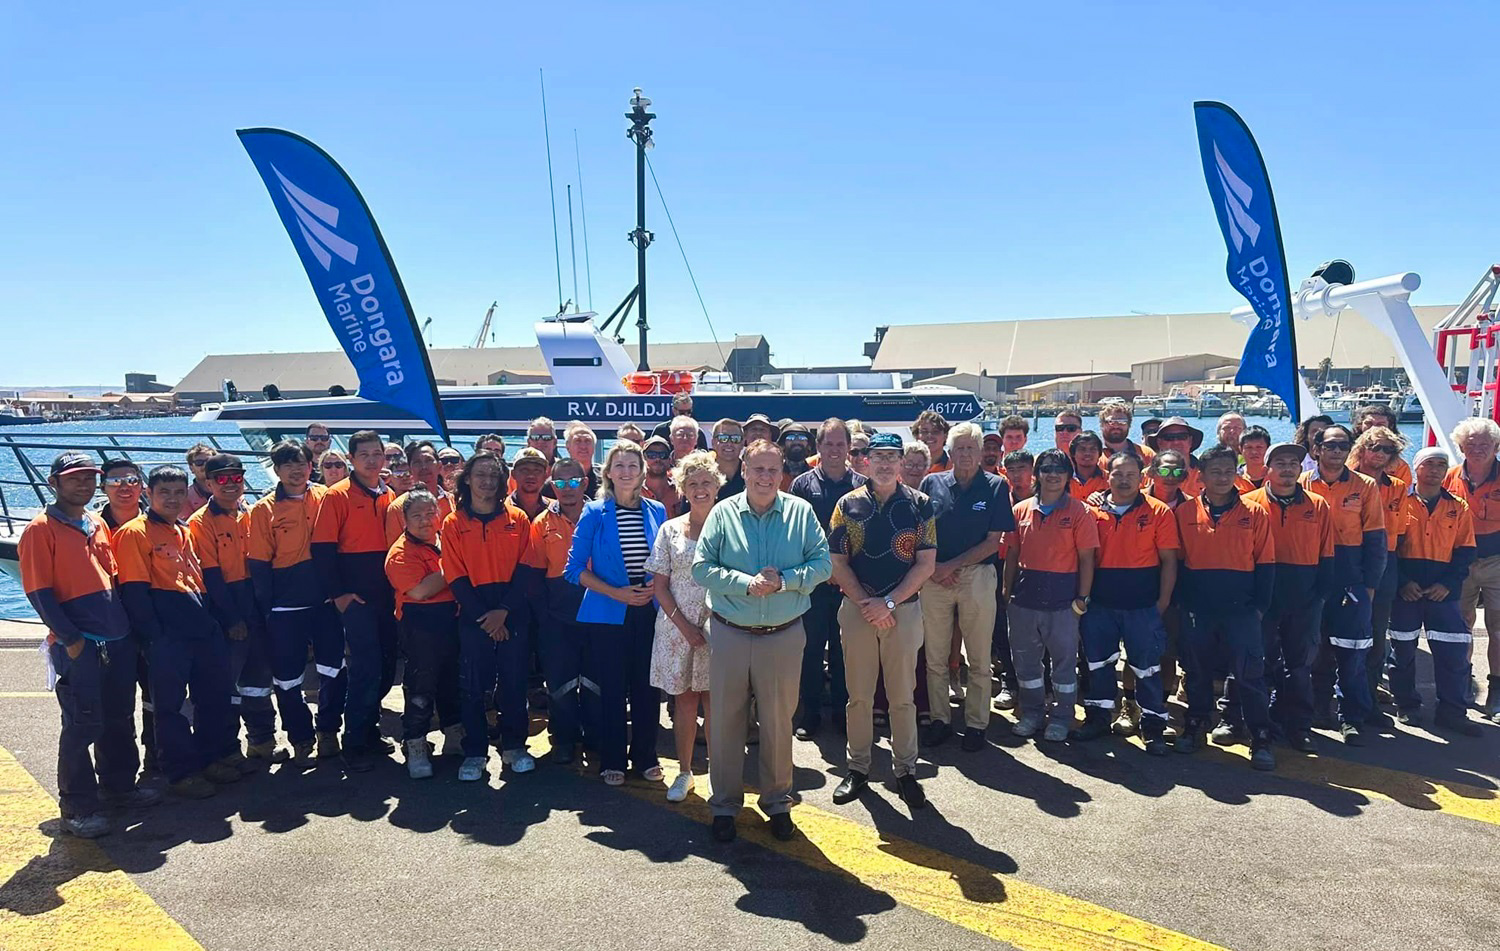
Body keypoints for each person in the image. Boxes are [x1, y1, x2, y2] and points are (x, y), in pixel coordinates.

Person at [692, 438, 830, 841]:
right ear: (745, 471)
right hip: (731, 633)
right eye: (758, 469)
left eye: (773, 470)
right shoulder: (722, 513)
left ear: (782, 473)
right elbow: (702, 568)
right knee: (726, 723)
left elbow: (821, 563)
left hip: (783, 636)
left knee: (776, 724)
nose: (766, 477)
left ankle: (777, 802)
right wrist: (744, 584)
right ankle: (724, 806)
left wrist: (785, 582)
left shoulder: (801, 514)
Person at [20, 452, 159, 837]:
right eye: (74, 478)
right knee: (82, 725)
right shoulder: (40, 529)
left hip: (117, 640)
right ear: (54, 482)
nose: (83, 484)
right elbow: (38, 591)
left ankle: (119, 788)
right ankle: (77, 807)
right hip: (80, 645)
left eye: (89, 478)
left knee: (118, 719)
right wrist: (71, 638)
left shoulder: (95, 521)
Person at [114, 465, 241, 798]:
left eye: (178, 491)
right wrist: (153, 637)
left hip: (200, 627)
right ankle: (181, 772)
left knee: (212, 696)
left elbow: (196, 580)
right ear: (148, 494)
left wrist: (212, 624)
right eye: (164, 492)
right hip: (168, 634)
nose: (172, 498)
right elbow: (134, 590)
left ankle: (210, 758)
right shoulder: (134, 533)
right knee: (171, 707)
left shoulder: (183, 530)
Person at [826, 432, 933, 809]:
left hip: (902, 610)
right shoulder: (847, 504)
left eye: (892, 456)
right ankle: (857, 768)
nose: (885, 463)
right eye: (878, 456)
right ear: (866, 460)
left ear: (902, 461)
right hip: (858, 610)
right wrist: (866, 603)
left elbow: (925, 563)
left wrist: (887, 603)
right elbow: (836, 561)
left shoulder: (920, 505)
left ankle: (905, 770)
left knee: (903, 696)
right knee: (859, 696)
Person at [565, 441, 669, 787]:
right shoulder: (595, 512)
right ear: (608, 472)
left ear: (642, 471)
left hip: (649, 611)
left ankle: (645, 755)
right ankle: (613, 758)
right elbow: (574, 568)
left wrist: (655, 589)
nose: (626, 472)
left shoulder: (656, 511)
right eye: (619, 466)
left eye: (632, 465)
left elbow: (664, 563)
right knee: (611, 689)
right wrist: (617, 593)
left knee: (646, 688)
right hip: (608, 613)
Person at [1173, 446, 1277, 770]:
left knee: (1249, 673)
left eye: (1228, 471)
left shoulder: (1255, 513)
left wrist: (1259, 607)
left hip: (1242, 609)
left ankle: (1260, 736)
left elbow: (1267, 563)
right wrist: (1182, 603)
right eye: (1214, 471)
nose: (1222, 477)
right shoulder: (1185, 513)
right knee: (1197, 671)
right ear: (1200, 476)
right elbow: (1176, 563)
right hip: (1198, 608)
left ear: (1237, 473)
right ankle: (1195, 726)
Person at [248, 440, 348, 762]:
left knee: (334, 669)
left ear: (311, 466)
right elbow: (260, 565)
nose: (296, 470)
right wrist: (268, 611)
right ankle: (300, 737)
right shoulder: (262, 511)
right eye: (287, 464)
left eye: (301, 463)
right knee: (287, 679)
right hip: (286, 608)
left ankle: (329, 731)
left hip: (326, 603)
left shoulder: (326, 497)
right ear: (276, 470)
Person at [1073, 451, 1178, 755]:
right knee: (1098, 664)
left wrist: (1162, 601)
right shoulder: (1091, 511)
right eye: (1118, 473)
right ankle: (1097, 717)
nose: (1124, 479)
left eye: (1131, 474)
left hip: (1143, 606)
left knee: (1147, 669)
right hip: (1101, 606)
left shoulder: (1158, 512)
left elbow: (1169, 561)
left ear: (1142, 478)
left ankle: (1153, 726)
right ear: (1108, 476)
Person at [917, 422, 1013, 750]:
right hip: (934, 576)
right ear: (951, 451)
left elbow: (993, 542)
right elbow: (922, 532)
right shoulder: (932, 482)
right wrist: (935, 569)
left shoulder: (997, 486)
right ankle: (941, 719)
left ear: (981, 451)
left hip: (977, 575)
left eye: (971, 448)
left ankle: (976, 723)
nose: (965, 455)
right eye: (959, 448)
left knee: (978, 655)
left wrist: (952, 566)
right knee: (936, 655)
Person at [441, 451, 535, 781]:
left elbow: (527, 569)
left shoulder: (518, 519)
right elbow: (454, 575)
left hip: (511, 612)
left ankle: (514, 746)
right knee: (472, 686)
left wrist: (504, 612)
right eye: (480, 474)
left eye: (493, 476)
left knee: (513, 683)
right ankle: (475, 751)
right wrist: (486, 617)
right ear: (467, 478)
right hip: (474, 613)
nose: (486, 481)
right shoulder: (453, 523)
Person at [187, 454, 281, 768]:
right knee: (223, 687)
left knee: (258, 681)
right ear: (209, 482)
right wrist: (231, 619)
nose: (230, 484)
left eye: (236, 477)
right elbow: (212, 576)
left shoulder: (250, 512)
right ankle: (222, 752)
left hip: (256, 603)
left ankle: (262, 742)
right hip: (227, 605)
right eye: (222, 479)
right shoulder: (200, 522)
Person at [311, 429, 396, 772]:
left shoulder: (389, 494)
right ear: (351, 459)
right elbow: (322, 549)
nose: (373, 460)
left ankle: (370, 730)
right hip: (355, 597)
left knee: (388, 666)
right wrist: (339, 595)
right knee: (365, 667)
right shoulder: (337, 496)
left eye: (378, 454)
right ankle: (355, 741)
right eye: (365, 455)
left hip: (386, 595)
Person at [1239, 444, 1334, 752]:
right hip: (1262, 597)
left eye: (1293, 463)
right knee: (1255, 662)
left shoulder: (1317, 504)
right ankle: (1253, 721)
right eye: (1280, 463)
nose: (1288, 469)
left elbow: (1327, 553)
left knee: (1299, 665)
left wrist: (1319, 594)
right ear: (1267, 468)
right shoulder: (1248, 503)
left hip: (1303, 598)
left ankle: (1299, 724)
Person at [1003, 448, 1098, 741]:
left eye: (1059, 469)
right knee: (1027, 663)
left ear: (1068, 475)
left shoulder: (1080, 512)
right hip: (1025, 599)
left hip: (1063, 602)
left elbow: (1086, 559)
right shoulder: (1020, 510)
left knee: (1064, 664)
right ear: (1037, 474)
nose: (1053, 475)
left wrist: (1082, 598)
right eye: (1046, 469)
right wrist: (1006, 592)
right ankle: (1032, 712)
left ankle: (1061, 716)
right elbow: (1012, 553)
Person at [1300, 424, 1386, 744]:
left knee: (1352, 652)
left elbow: (1376, 540)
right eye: (1330, 445)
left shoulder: (1364, 486)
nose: (1337, 451)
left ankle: (1352, 717)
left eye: (1343, 445)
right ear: (1317, 449)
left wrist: (1370, 586)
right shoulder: (1302, 483)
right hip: (1311, 576)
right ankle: (1315, 709)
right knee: (1313, 648)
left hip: (1351, 579)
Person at [645, 451, 721, 802]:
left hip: (721, 628)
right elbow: (659, 585)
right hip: (677, 629)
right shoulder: (669, 529)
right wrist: (686, 627)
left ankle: (719, 775)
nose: (700, 489)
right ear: (682, 489)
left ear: (717, 485)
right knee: (685, 704)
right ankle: (685, 772)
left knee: (717, 704)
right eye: (692, 483)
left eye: (706, 482)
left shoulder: (730, 527)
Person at [1391, 447, 1482, 735]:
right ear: (1416, 468)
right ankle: (1407, 706)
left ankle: (1452, 711)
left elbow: (1466, 552)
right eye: (1428, 464)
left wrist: (1449, 585)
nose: (1434, 470)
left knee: (1452, 651)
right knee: (1402, 649)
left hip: (1443, 592)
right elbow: (1389, 549)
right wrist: (1402, 582)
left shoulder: (1459, 507)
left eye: (1441, 465)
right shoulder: (1398, 503)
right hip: (1407, 590)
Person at [790, 418, 866, 740]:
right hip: (813, 587)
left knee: (844, 651)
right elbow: (795, 536)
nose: (834, 450)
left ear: (849, 447)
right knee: (809, 651)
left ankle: (841, 712)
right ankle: (809, 713)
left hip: (850, 586)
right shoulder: (802, 485)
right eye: (828, 444)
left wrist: (845, 575)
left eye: (840, 444)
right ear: (818, 447)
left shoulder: (864, 487)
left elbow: (868, 538)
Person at [518, 458, 597, 764]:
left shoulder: (602, 515)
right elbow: (535, 575)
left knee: (596, 680)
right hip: (557, 617)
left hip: (597, 611)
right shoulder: (542, 523)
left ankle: (596, 736)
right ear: (552, 487)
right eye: (560, 483)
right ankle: (564, 738)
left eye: (574, 481)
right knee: (561, 682)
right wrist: (544, 617)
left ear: (585, 483)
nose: (568, 489)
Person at [384, 489, 458, 779]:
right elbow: (420, 590)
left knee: (454, 682)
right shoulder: (400, 553)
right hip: (420, 624)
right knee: (420, 687)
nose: (425, 521)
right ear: (404, 519)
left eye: (430, 513)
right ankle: (414, 743)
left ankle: (454, 735)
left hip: (452, 619)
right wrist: (454, 565)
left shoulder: (445, 540)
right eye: (416, 515)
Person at [98, 458, 157, 772]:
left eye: (131, 480)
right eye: (115, 481)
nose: (124, 487)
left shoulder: (159, 524)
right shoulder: (91, 527)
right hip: (110, 631)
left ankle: (156, 758)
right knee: (115, 707)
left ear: (142, 486)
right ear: (103, 486)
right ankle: (117, 777)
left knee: (157, 697)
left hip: (152, 627)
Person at [1442, 417, 1500, 719]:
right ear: (1461, 447)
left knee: (1499, 630)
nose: (1477, 449)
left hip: (1497, 562)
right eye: (1471, 444)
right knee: (1460, 627)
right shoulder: (1449, 477)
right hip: (1461, 563)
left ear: (1496, 446)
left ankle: (1497, 692)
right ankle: (1462, 683)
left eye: (1485, 444)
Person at [1351, 426, 1410, 712]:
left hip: (1384, 561)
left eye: (1387, 450)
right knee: (1332, 630)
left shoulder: (1397, 488)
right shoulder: (1346, 480)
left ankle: (1368, 696)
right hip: (1347, 559)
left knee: (1375, 632)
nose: (1380, 454)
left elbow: (1396, 531)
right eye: (1375, 447)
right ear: (1362, 448)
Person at [387, 441, 453, 544]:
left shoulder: (455, 502)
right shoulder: (398, 507)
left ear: (439, 466)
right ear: (409, 468)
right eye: (417, 462)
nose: (424, 467)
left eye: (428, 460)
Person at [1353, 403, 1411, 483]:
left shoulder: (1400, 466)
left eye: (1380, 424)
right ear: (1360, 425)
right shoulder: (1344, 455)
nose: (1373, 428)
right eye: (1369, 423)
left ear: (1390, 426)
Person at [1146, 418, 1203, 497]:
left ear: (1190, 441)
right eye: (1169, 437)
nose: (1176, 442)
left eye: (1182, 436)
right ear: (1159, 442)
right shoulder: (1144, 476)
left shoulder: (1206, 474)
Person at [641, 434, 683, 516]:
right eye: (651, 455)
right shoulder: (635, 491)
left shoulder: (680, 491)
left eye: (663, 455)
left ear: (670, 459)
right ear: (643, 459)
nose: (657, 459)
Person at [508, 446, 550, 518]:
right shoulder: (502, 509)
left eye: (537, 471)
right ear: (513, 474)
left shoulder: (554, 509)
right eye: (524, 470)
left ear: (545, 476)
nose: (531, 475)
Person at [564, 421, 602, 498]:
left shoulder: (605, 478)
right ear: (568, 447)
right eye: (578, 441)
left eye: (587, 441)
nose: (583, 446)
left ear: (594, 447)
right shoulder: (558, 480)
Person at [711, 418, 746, 500]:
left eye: (735, 439)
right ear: (713, 443)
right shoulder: (702, 475)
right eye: (723, 438)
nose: (729, 444)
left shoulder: (751, 474)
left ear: (742, 443)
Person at [1067, 430, 1108, 502]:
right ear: (1073, 454)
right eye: (1082, 449)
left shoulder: (1110, 479)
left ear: (1099, 454)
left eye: (1093, 449)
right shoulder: (1064, 480)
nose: (1087, 453)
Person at [1235, 425, 1273, 492]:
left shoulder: (1277, 475)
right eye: (1249, 447)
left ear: (1268, 448)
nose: (1254, 452)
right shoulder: (1234, 477)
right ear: (1240, 449)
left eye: (1259, 447)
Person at [778, 422, 814, 489]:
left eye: (802, 437)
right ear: (782, 446)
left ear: (809, 446)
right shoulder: (774, 475)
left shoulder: (817, 476)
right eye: (790, 437)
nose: (797, 441)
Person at [183, 443, 216, 516]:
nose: (205, 465)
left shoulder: (229, 488)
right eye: (199, 463)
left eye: (209, 461)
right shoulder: (185, 496)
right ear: (191, 468)